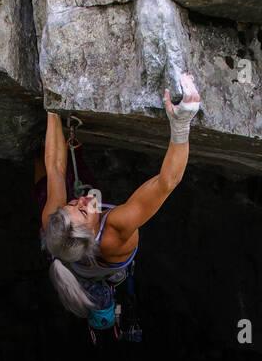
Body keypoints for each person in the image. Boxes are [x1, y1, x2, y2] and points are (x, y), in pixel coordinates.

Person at [33, 72, 201, 338]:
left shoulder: (54, 222)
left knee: (44, 174)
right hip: (98, 256)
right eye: (83, 209)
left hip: (69, 251)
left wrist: (52, 104)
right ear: (92, 235)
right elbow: (166, 182)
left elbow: (55, 168)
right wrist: (181, 124)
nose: (85, 198)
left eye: (74, 202)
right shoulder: (116, 232)